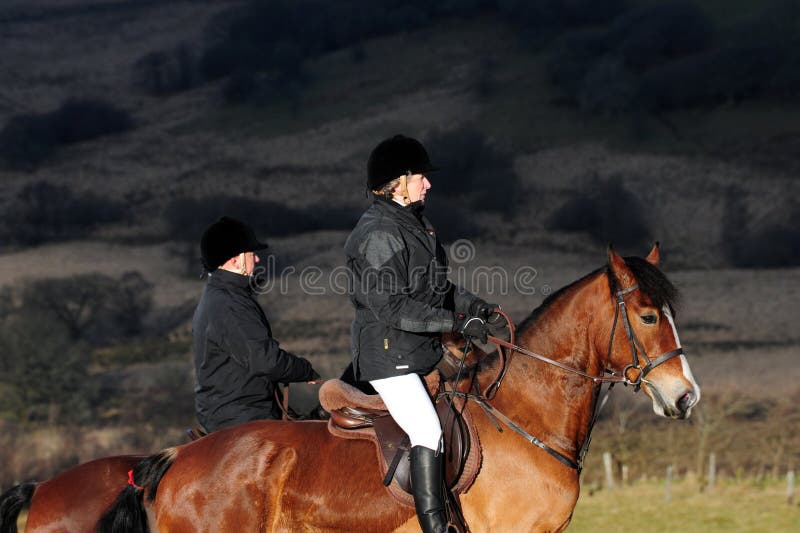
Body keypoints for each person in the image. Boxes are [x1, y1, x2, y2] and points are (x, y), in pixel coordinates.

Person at [344, 135, 505, 533]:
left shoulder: (414, 223)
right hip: (388, 356)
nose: (427, 184)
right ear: (397, 183)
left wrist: (478, 309)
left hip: (417, 350)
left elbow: (438, 288)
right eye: (420, 177)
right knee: (427, 430)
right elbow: (392, 307)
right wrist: (454, 323)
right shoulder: (379, 233)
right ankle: (435, 526)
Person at [193, 216, 319, 433]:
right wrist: (306, 370)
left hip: (232, 411)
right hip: (244, 416)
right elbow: (266, 361)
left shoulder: (218, 296)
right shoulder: (230, 303)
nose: (258, 260)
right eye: (251, 255)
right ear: (235, 260)